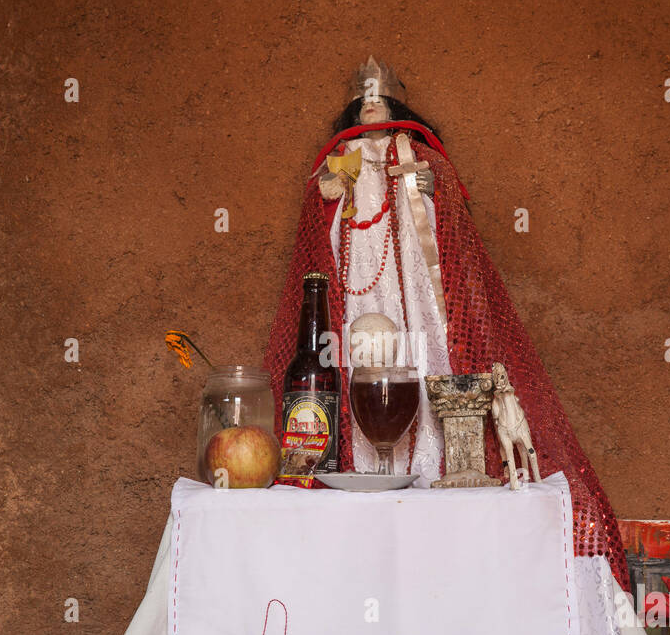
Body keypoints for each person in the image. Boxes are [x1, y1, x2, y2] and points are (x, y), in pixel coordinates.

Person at [265, 56, 628, 587]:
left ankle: (432, 462)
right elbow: (321, 206)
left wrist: (421, 182)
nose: (371, 105)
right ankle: (361, 465)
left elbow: (446, 201)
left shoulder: (415, 148)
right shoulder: (342, 154)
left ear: (394, 104)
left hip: (412, 267)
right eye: (362, 98)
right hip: (360, 263)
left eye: (379, 97)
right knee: (354, 355)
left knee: (423, 348)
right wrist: (333, 187)